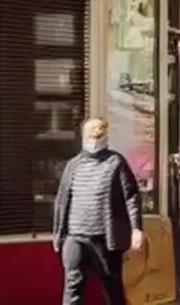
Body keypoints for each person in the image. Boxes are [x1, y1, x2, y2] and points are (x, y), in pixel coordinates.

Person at [52, 118, 144, 305]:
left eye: (99, 134)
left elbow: (131, 197)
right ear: (84, 136)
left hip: (105, 239)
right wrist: (59, 236)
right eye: (91, 134)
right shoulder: (74, 165)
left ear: (105, 136)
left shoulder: (116, 162)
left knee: (112, 287)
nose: (95, 138)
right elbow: (62, 201)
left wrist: (136, 229)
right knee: (72, 286)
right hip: (75, 236)